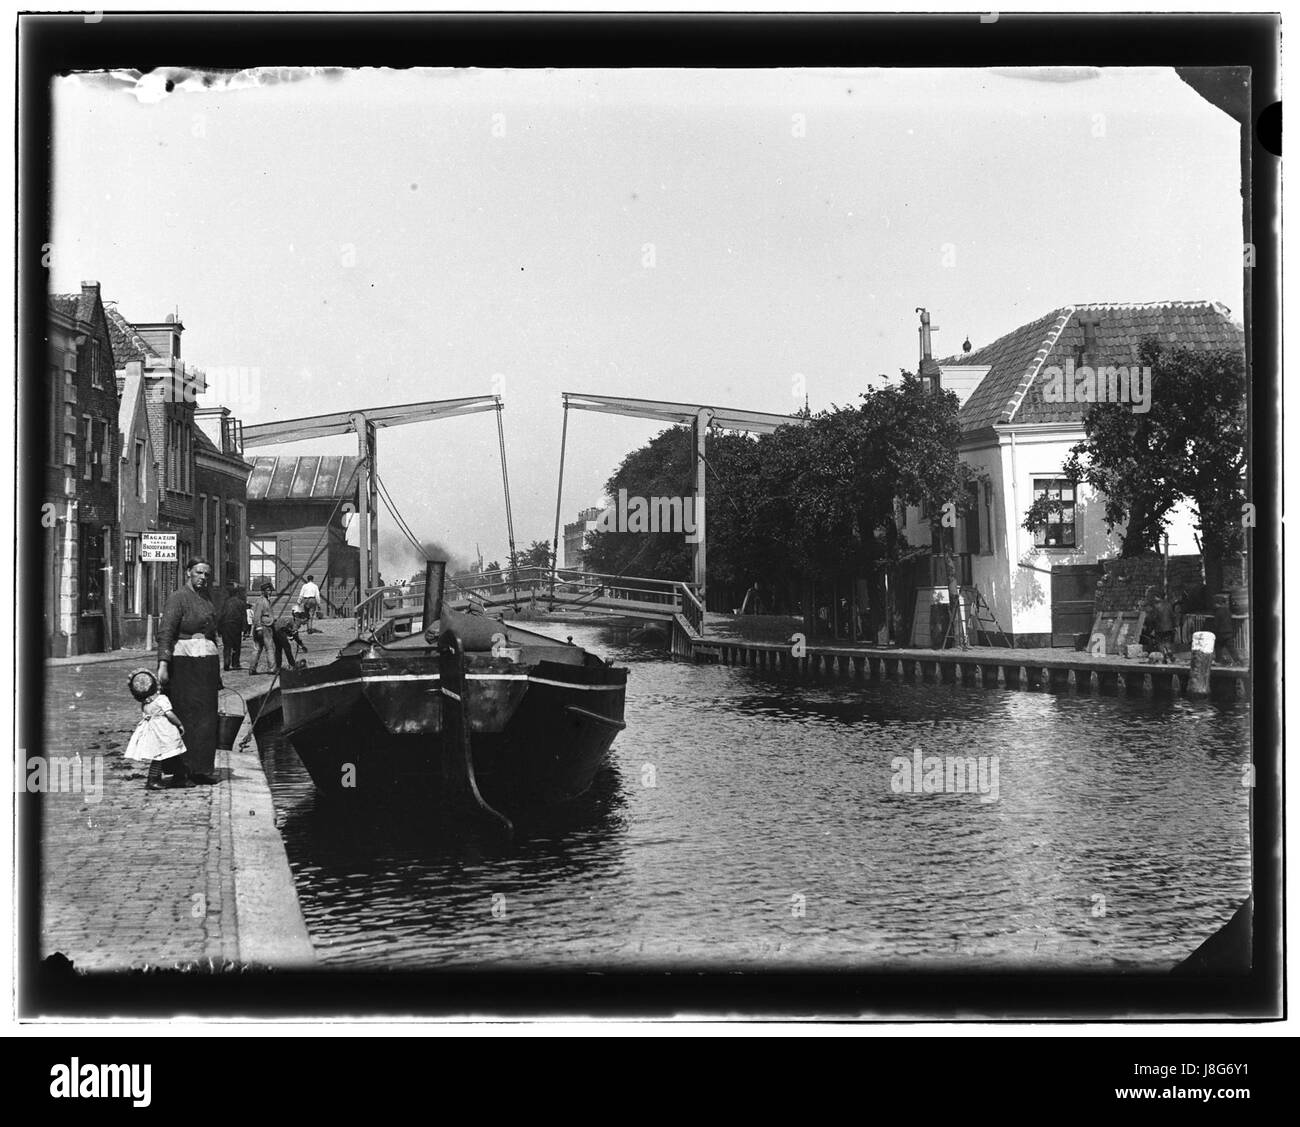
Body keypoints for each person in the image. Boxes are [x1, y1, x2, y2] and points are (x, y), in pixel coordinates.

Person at [156, 558, 220, 785]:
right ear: (188, 573)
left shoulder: (206, 598)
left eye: (206, 574)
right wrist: (163, 663)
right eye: (199, 573)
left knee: (206, 718)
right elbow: (166, 632)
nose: (203, 578)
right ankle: (181, 771)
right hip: (184, 667)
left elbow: (211, 633)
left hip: (205, 669)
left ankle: (201, 769)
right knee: (186, 717)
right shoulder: (177, 598)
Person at [124, 669, 193, 789]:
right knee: (162, 755)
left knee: (165, 754)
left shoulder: (145, 702)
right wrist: (179, 724)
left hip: (151, 731)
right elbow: (169, 714)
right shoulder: (161, 699)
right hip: (163, 730)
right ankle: (153, 779)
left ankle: (177, 775)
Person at [218, 582, 249, 671]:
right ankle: (235, 663)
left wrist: (219, 629)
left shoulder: (225, 603)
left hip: (225, 626)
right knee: (236, 645)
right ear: (237, 593)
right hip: (236, 626)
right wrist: (245, 629)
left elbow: (221, 615)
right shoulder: (241, 603)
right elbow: (244, 616)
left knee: (227, 646)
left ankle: (226, 663)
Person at [249, 581, 277, 675]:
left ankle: (252, 668)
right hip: (263, 627)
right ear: (263, 591)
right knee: (269, 648)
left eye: (270, 590)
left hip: (266, 627)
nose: (269, 592)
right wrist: (259, 628)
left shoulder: (266, 600)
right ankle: (272, 668)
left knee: (258, 649)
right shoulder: (261, 601)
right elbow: (257, 616)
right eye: (267, 590)